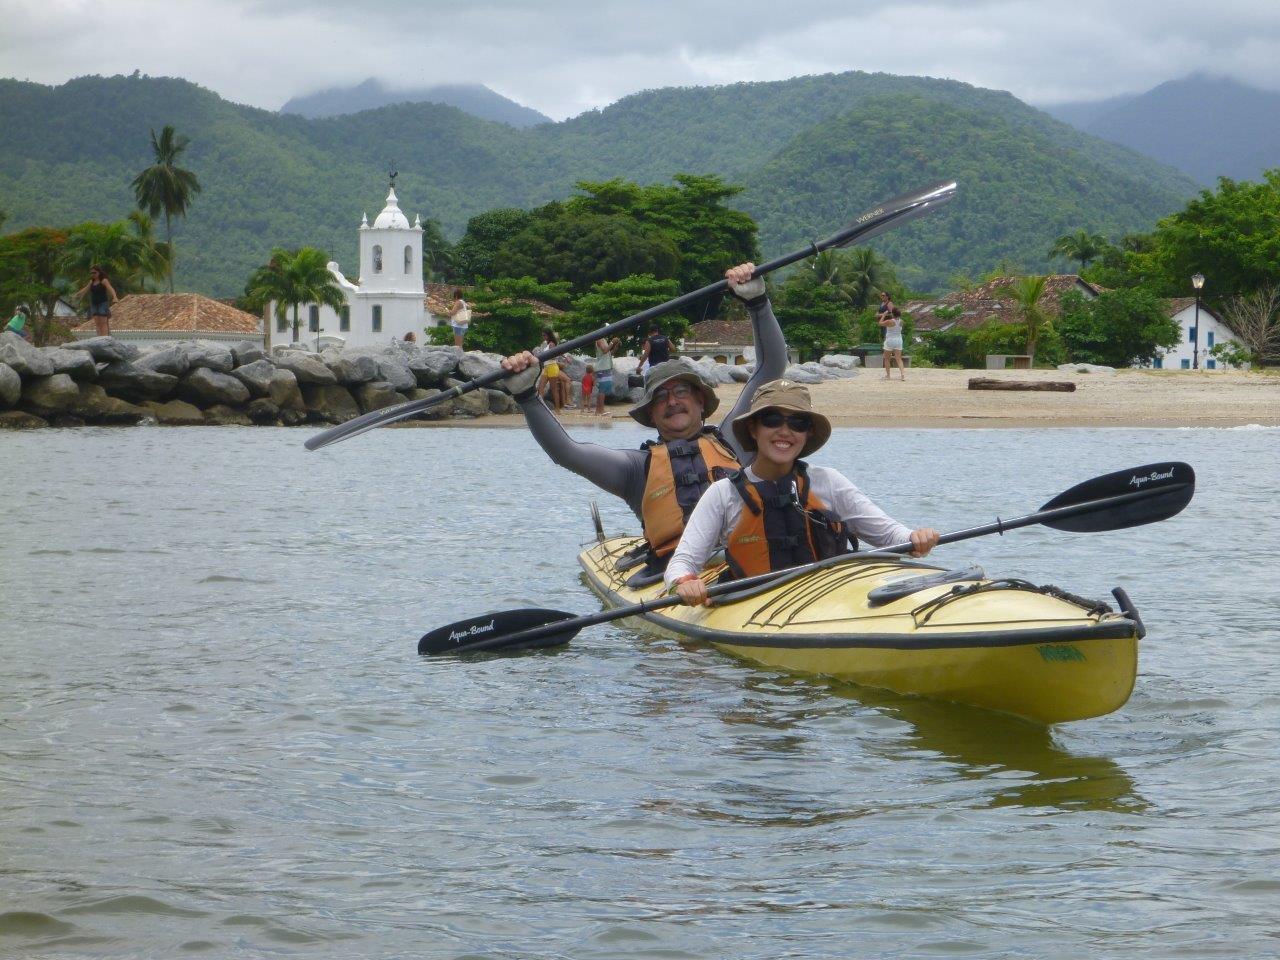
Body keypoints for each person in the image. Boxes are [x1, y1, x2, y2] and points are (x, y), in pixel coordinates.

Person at [499, 263, 788, 574]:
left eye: (681, 392)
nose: (673, 402)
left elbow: (771, 368)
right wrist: (527, 395)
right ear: (651, 412)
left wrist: (758, 301)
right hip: (679, 574)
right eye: (661, 398)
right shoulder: (636, 469)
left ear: (701, 401)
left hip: (751, 559)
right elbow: (565, 452)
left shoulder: (735, 439)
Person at [665, 379, 940, 605]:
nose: (785, 431)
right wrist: (684, 583)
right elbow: (683, 562)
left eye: (798, 423)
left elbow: (891, 535)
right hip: (753, 604)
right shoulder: (723, 494)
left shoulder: (828, 482)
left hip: (826, 600)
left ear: (808, 433)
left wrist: (915, 538)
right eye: (772, 419)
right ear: (753, 427)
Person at [75, 266, 118, 337]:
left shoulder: (103, 280)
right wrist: (77, 294)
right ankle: (99, 337)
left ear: (99, 272)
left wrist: (115, 297)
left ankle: (104, 338)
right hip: (94, 303)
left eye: (94, 272)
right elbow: (85, 289)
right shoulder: (92, 282)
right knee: (97, 323)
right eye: (91, 273)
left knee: (103, 322)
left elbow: (111, 289)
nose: (93, 274)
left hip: (102, 303)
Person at [535, 327, 568, 414]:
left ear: (548, 335)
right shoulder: (548, 344)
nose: (543, 337)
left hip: (552, 366)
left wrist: (544, 355)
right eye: (543, 335)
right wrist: (565, 357)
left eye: (544, 335)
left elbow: (553, 355)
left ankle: (557, 409)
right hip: (546, 367)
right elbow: (558, 351)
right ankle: (541, 408)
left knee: (554, 389)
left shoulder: (552, 344)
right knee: (540, 388)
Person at [591, 335, 619, 416]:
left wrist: (615, 345)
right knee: (602, 389)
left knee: (604, 388)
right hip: (602, 367)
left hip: (606, 367)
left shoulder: (604, 340)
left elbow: (609, 353)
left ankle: (598, 410)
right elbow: (604, 351)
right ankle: (601, 410)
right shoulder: (599, 339)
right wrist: (612, 342)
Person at [879, 306, 906, 381]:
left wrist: (883, 315)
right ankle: (902, 374)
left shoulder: (889, 321)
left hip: (890, 340)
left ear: (892, 314)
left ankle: (888, 376)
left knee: (887, 359)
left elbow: (880, 323)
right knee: (899, 359)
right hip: (898, 340)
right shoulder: (901, 321)